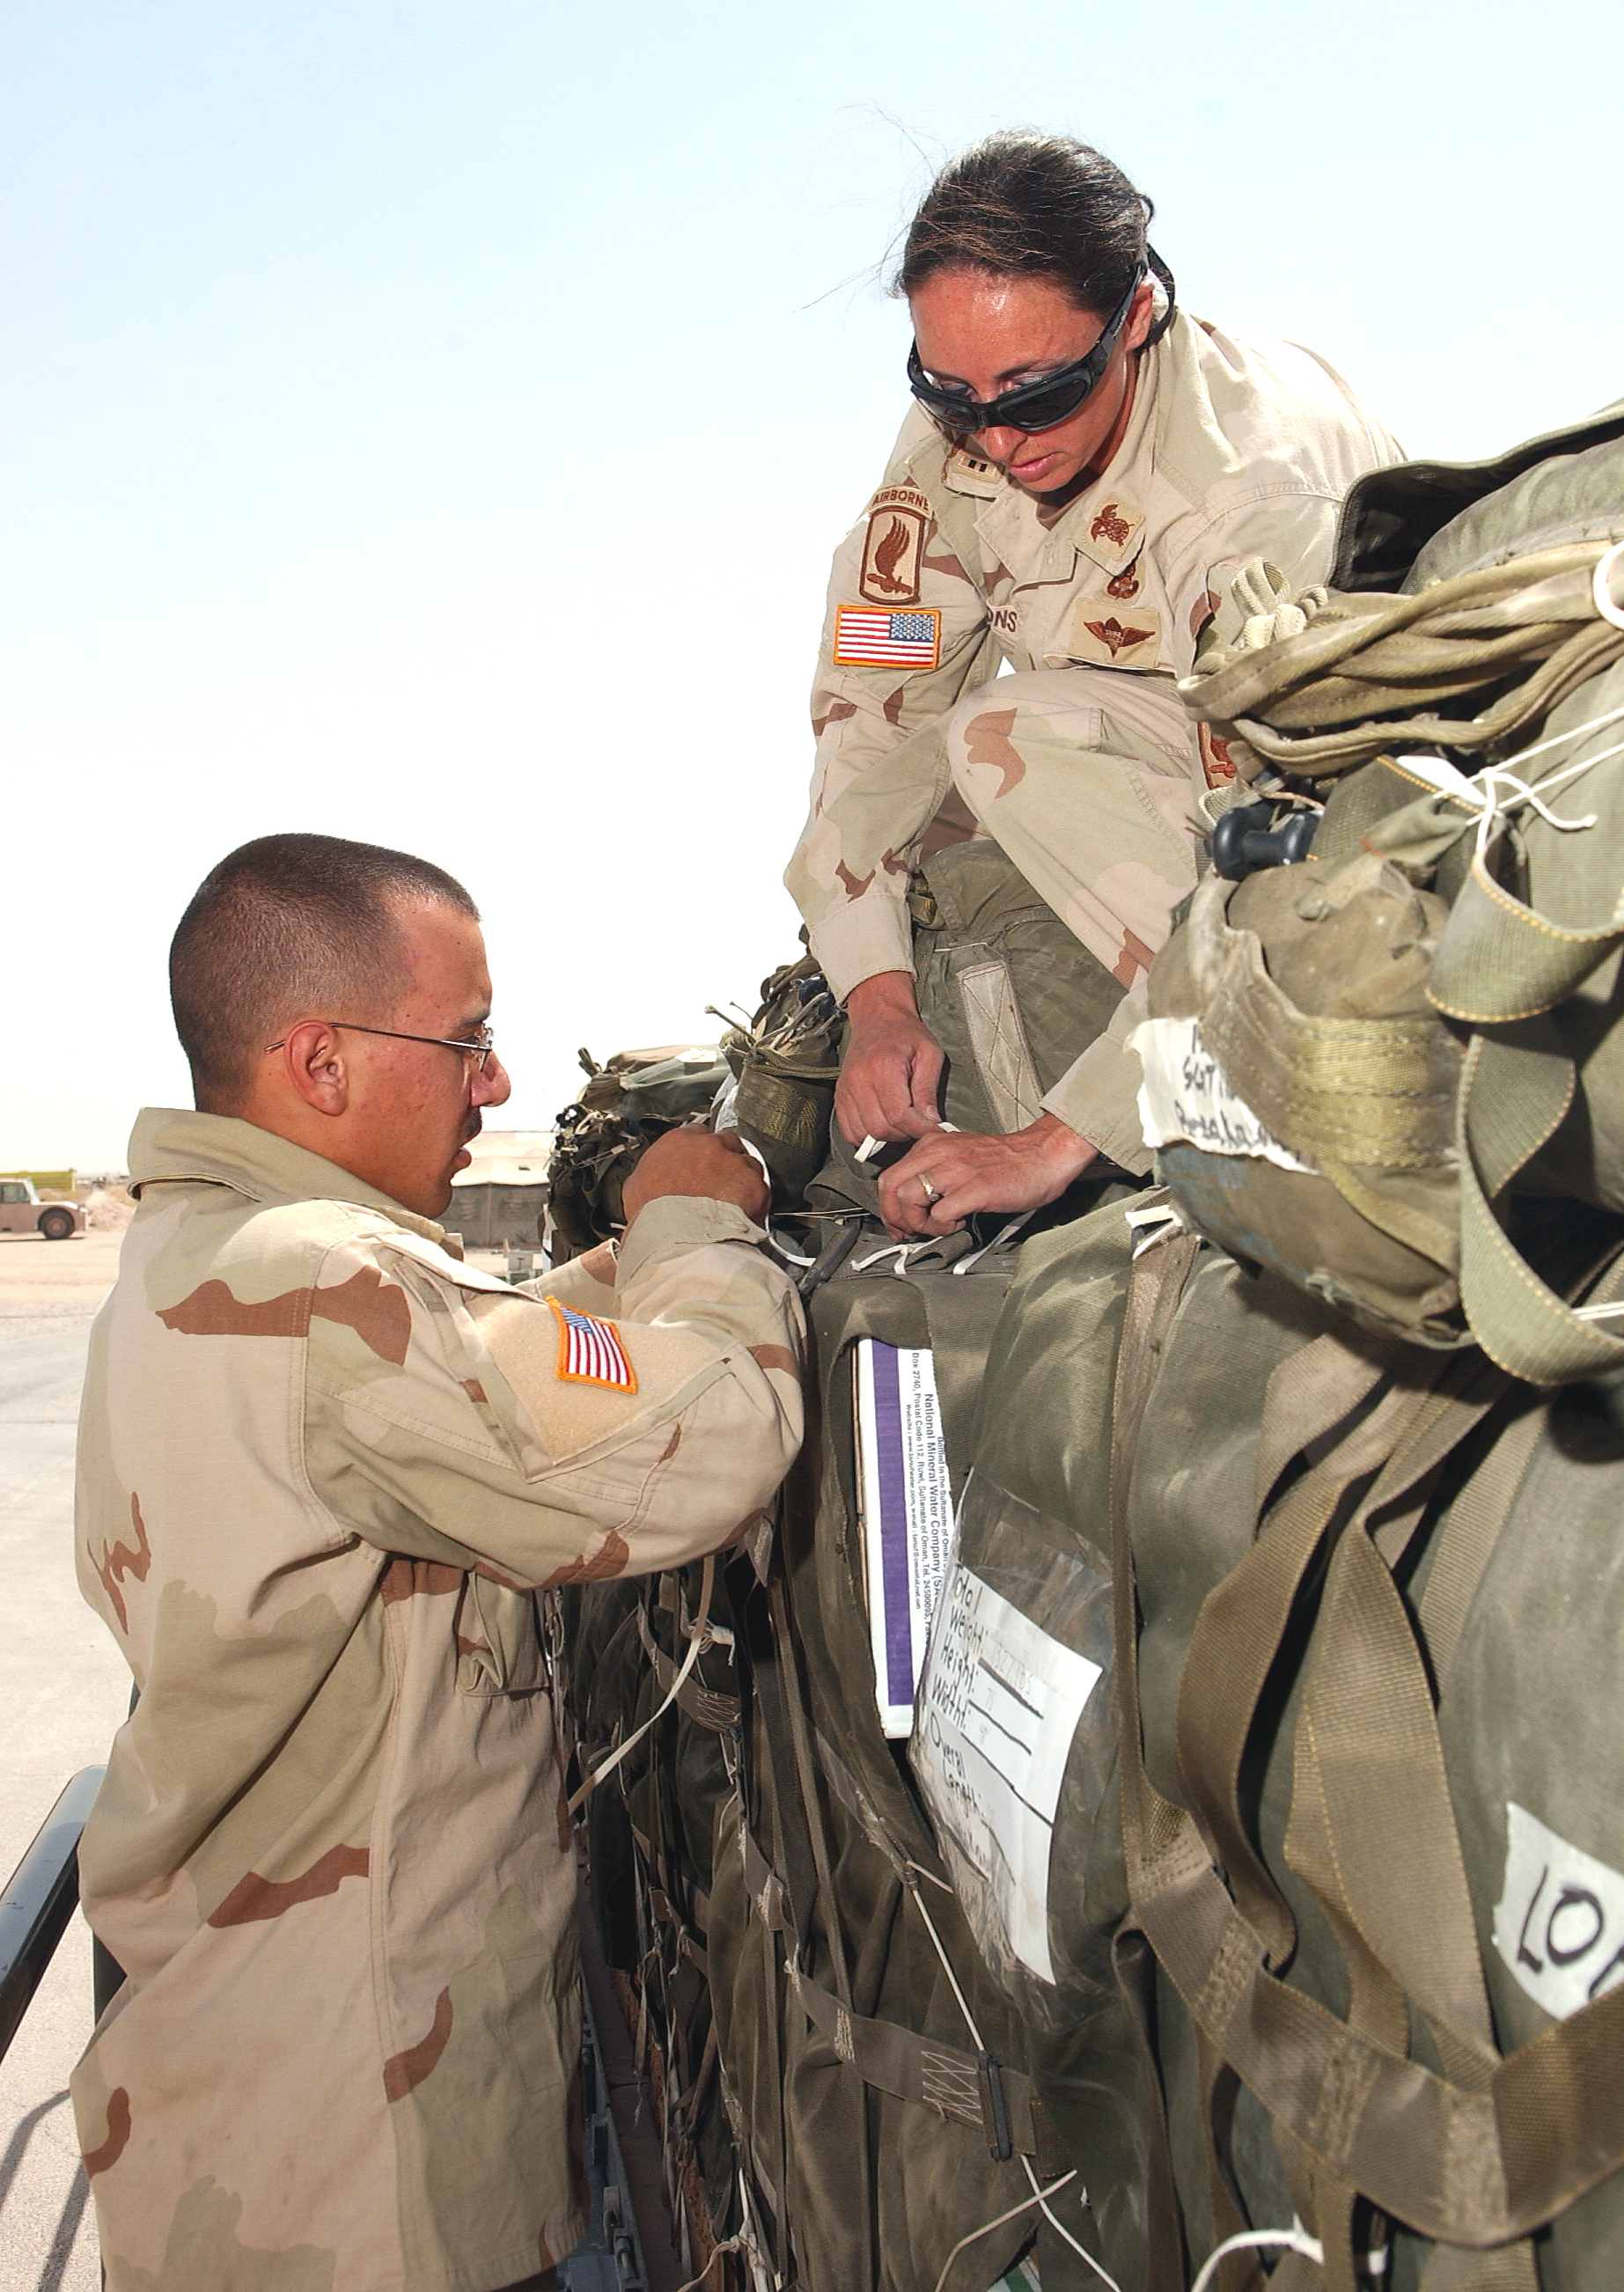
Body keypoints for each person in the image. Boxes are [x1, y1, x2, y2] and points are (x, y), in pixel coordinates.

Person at [72, 834, 804, 2292]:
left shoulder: (227, 1253)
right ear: (322, 1060)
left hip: (265, 2109)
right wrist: (700, 1224)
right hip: (361, 2177)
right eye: (465, 1039)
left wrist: (620, 1268)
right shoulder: (325, 1285)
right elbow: (722, 1428)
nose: (498, 1084)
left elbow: (493, 1357)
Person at [785, 132, 1404, 1239]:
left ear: (1134, 317)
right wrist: (875, 999)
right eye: (952, 391)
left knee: (1012, 733)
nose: (999, 437)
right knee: (953, 769)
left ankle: (1251, 1088)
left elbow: (1291, 846)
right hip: (1171, 765)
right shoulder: (967, 427)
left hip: (1369, 817)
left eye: (1039, 390)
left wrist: (1063, 1139)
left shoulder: (1251, 497)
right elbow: (876, 721)